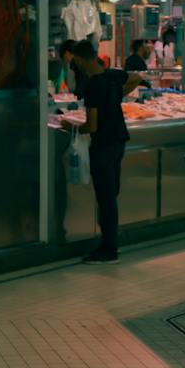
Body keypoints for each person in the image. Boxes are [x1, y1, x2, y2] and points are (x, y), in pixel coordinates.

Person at [67, 40, 143, 264]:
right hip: (119, 141)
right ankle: (109, 243)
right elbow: (136, 78)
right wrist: (118, 94)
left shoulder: (92, 86)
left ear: (80, 60)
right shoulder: (112, 75)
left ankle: (109, 249)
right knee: (111, 195)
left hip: (102, 146)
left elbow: (91, 126)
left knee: (106, 198)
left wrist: (70, 127)